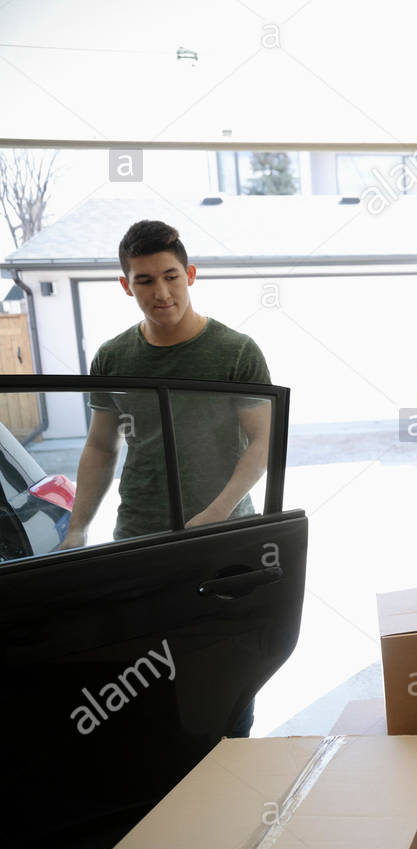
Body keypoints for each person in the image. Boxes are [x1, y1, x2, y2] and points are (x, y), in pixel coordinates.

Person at [59, 219, 273, 738]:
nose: (161, 292)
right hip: (140, 536)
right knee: (143, 675)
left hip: (221, 539)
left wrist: (218, 512)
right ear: (125, 285)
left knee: (225, 677)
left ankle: (229, 781)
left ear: (190, 274)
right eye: (146, 280)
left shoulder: (235, 351)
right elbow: (101, 445)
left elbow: (264, 442)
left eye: (170, 276)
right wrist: (77, 527)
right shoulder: (113, 357)